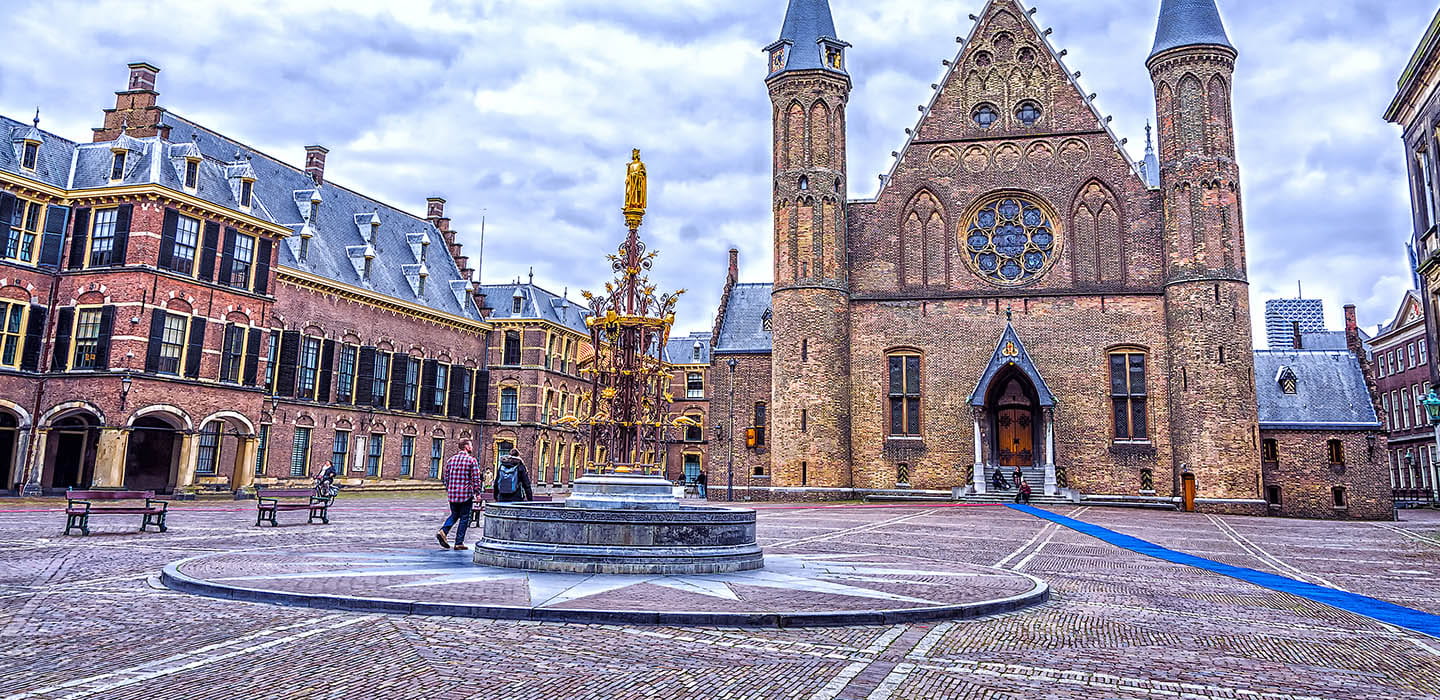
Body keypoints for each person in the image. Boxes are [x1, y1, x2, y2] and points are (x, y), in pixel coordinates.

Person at [436, 438, 481, 551]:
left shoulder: (451, 460)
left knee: (454, 514)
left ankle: (444, 531)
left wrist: (450, 489)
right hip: (465, 494)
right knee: (465, 517)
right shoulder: (471, 461)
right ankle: (459, 542)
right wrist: (477, 493)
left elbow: (446, 478)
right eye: (470, 445)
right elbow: (476, 478)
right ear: (466, 446)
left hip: (452, 494)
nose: (472, 447)